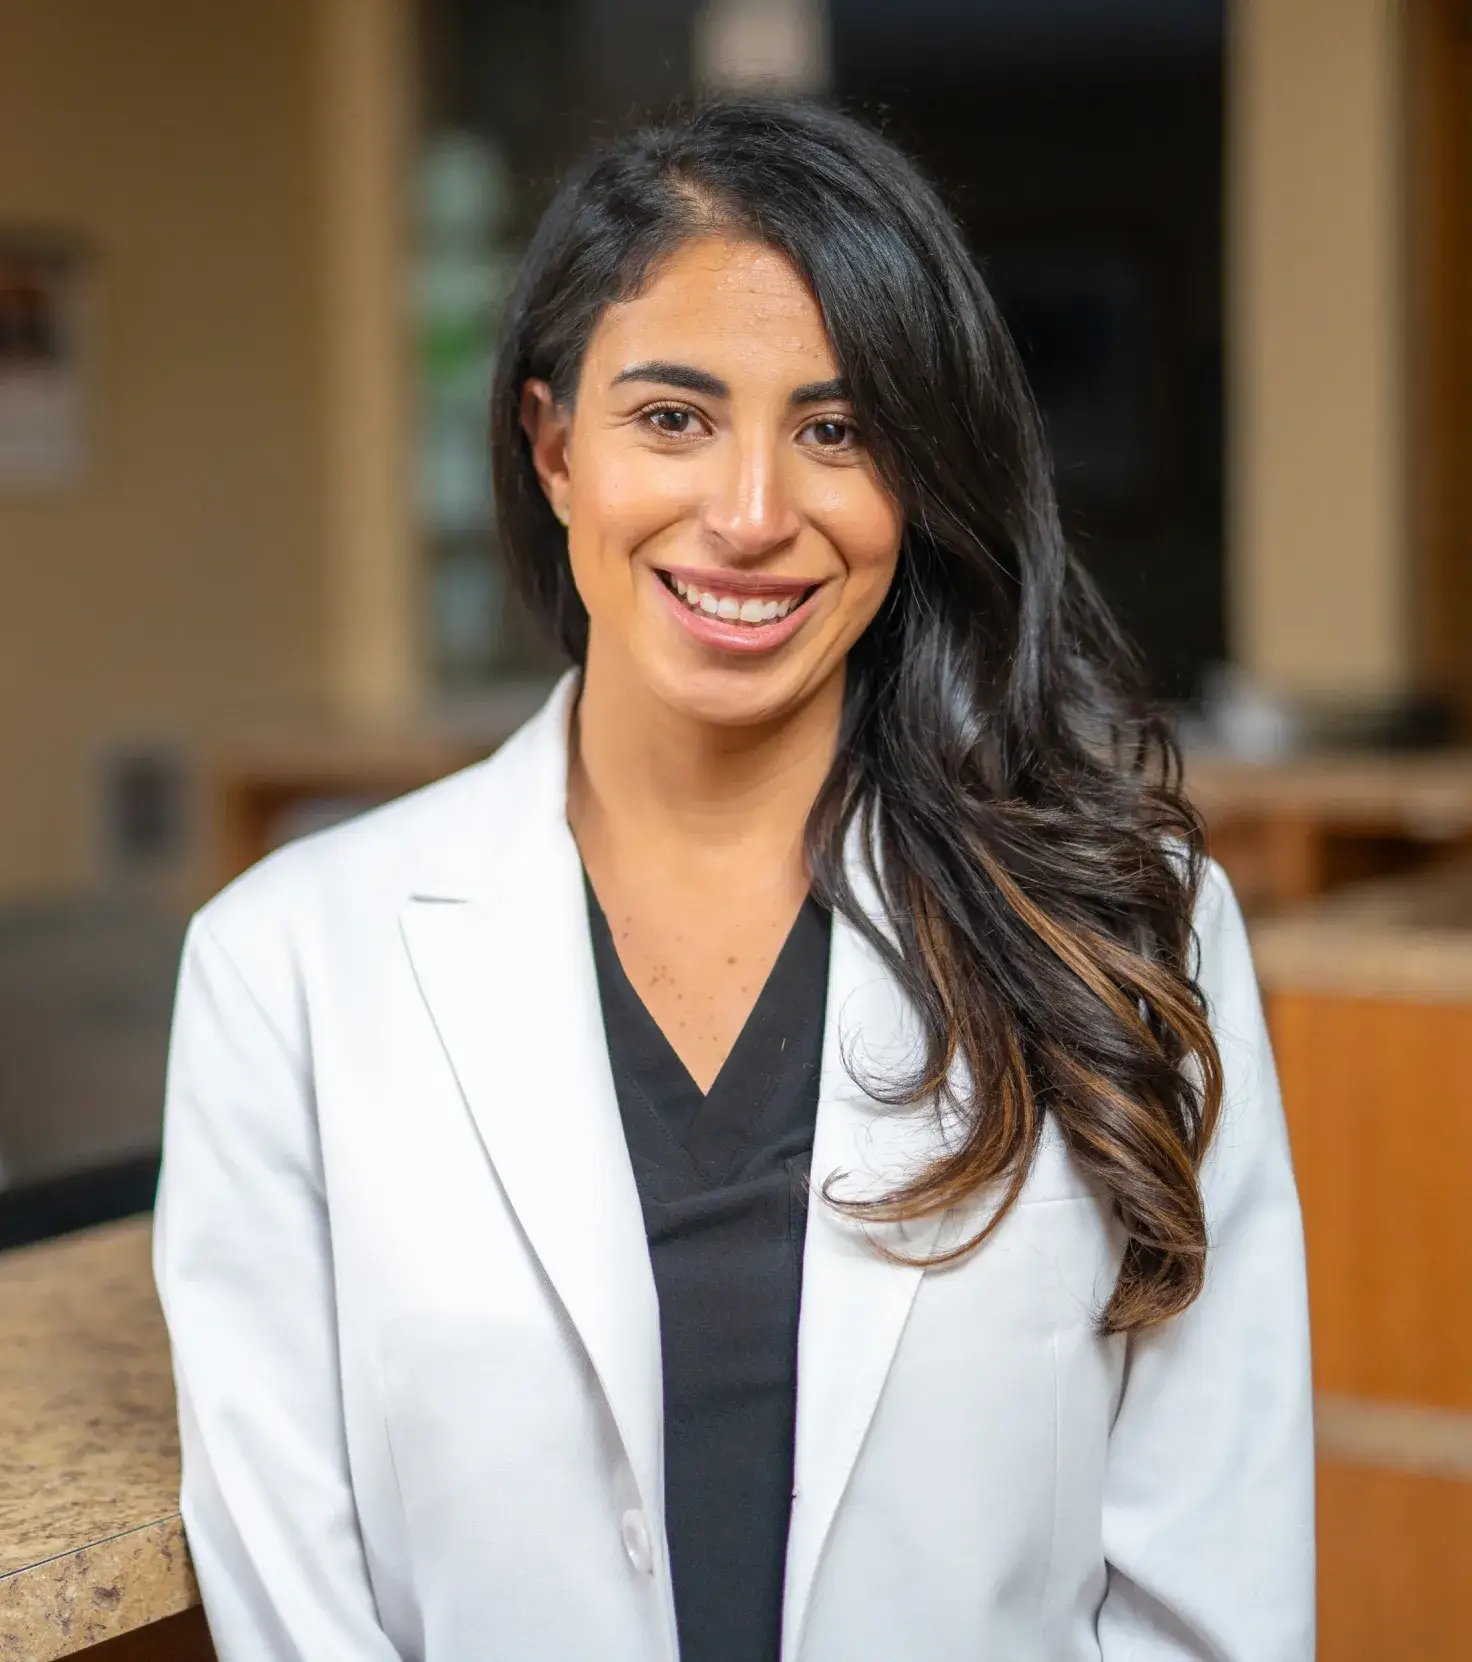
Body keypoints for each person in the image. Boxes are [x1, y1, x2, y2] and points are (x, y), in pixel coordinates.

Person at [154, 99, 1314, 1662]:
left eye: (837, 432)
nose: (755, 515)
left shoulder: (1126, 927)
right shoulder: (285, 969)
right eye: (673, 418)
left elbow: (1211, 1580)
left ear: (921, 483)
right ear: (556, 446)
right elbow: (295, 1591)